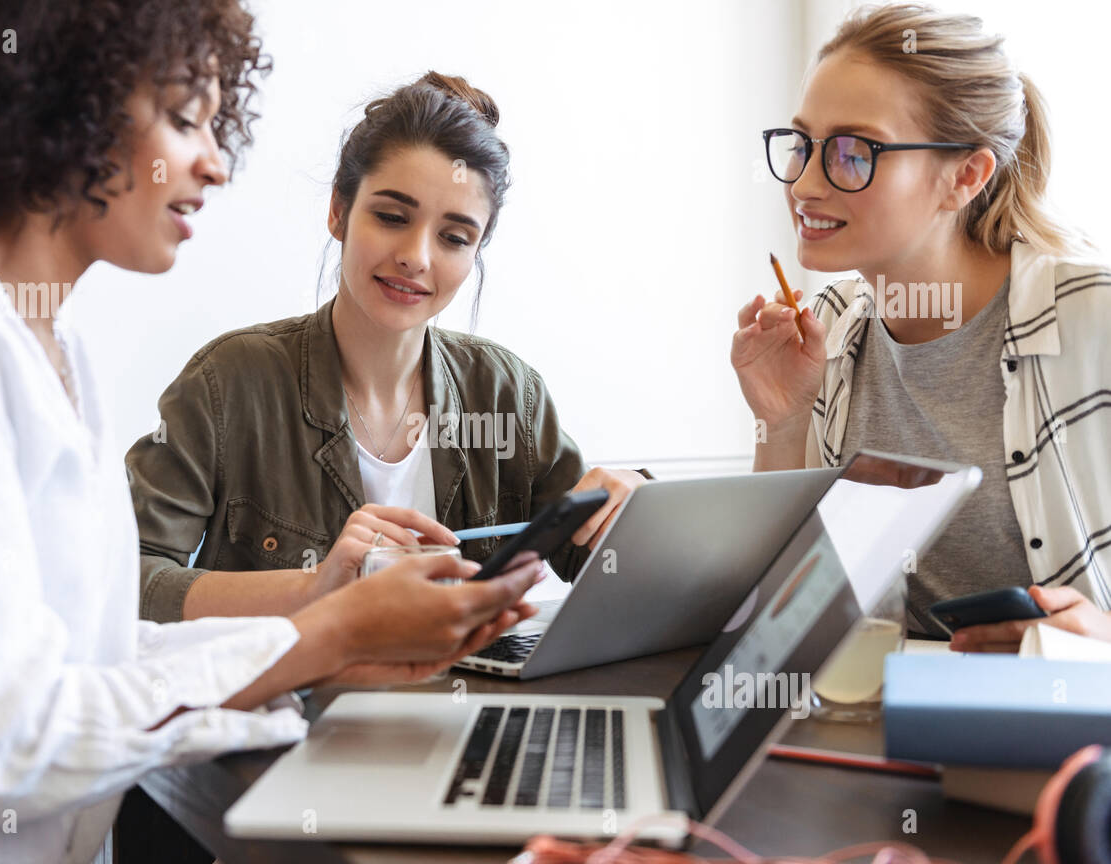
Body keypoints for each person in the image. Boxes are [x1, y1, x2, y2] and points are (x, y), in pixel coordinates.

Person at [0, 0, 541, 864]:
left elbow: (100, 657)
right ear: (59, 102)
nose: (217, 161)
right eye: (187, 118)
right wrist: (329, 635)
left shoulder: (48, 343)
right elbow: (9, 742)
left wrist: (327, 623)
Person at [124, 72, 646, 625]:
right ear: (338, 211)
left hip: (471, 702)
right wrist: (313, 589)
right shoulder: (228, 383)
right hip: (292, 708)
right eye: (392, 217)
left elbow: (619, 577)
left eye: (454, 237)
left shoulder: (508, 396)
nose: (416, 257)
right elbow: (125, 579)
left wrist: (639, 509)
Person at [731, 2, 1111, 650]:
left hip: (1058, 735)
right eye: (802, 145)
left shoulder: (1091, 320)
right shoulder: (826, 330)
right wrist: (783, 422)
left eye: (854, 152)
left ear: (965, 175)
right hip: (872, 725)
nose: (805, 183)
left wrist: (1098, 636)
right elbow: (775, 619)